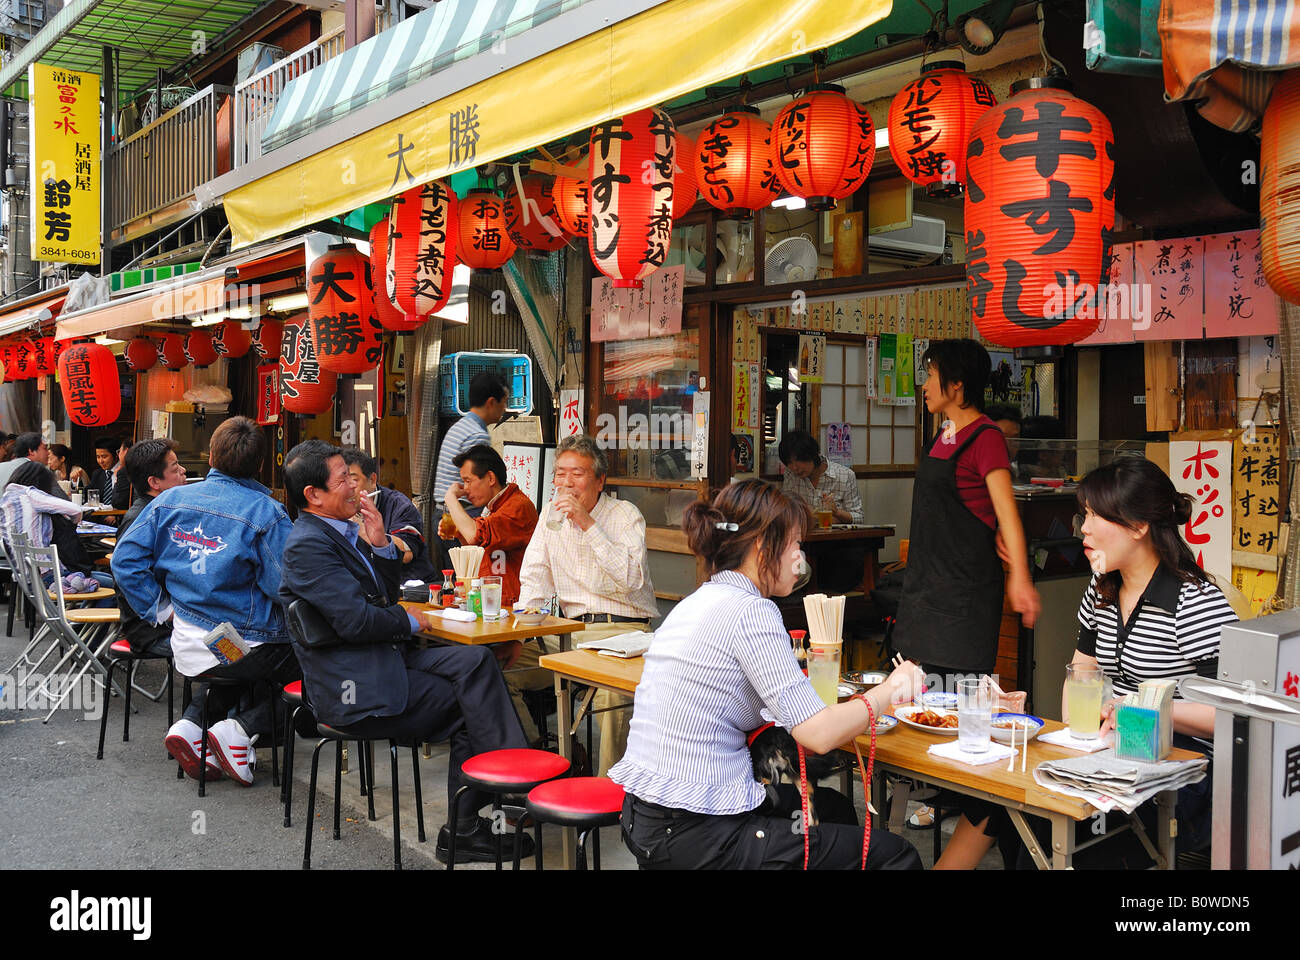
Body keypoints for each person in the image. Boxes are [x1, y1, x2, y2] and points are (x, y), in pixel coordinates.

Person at [933, 457, 1237, 869]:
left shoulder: (1195, 602)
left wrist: (1140, 710)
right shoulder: (1102, 585)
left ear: (1137, 526)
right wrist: (1075, 733)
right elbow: (1081, 673)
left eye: (1096, 516)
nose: (1084, 528)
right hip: (1115, 751)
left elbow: (1233, 717)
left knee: (1050, 823)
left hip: (1183, 771)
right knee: (1002, 798)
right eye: (1085, 515)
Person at [610, 480, 925, 870]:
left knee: (833, 808)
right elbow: (819, 734)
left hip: (646, 817)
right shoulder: (751, 611)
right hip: (700, 831)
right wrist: (889, 691)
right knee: (894, 855)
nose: (800, 557)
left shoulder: (697, 601)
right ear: (762, 545)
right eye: (795, 544)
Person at [279, 439, 532, 864]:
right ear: (314, 494)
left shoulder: (338, 532)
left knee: (476, 661)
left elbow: (380, 594)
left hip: (381, 656)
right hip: (354, 686)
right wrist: (411, 620)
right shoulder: (308, 544)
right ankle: (475, 820)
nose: (357, 490)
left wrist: (379, 546)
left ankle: (509, 787)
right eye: (344, 480)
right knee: (473, 701)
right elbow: (357, 620)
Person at [112, 417, 299, 786]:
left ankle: (192, 723)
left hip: (186, 641)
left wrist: (161, 609)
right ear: (260, 465)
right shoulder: (266, 512)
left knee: (241, 663)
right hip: (240, 644)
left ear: (211, 456)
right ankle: (239, 731)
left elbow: (124, 560)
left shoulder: (171, 500)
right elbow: (284, 587)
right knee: (315, 659)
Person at [516, 434, 658, 771]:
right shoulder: (549, 514)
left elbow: (630, 578)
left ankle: (610, 794)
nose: (566, 483)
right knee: (495, 665)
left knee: (613, 694)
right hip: (568, 632)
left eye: (577, 474)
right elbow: (534, 577)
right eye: (560, 474)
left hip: (623, 632)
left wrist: (586, 523)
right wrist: (520, 632)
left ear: (599, 480)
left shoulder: (625, 515)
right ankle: (537, 761)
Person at [439, 443, 538, 610]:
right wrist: (459, 532)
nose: (466, 489)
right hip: (492, 604)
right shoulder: (493, 507)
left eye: (468, 481)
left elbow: (475, 535)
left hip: (513, 609)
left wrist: (450, 499)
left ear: (491, 478)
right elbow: (478, 545)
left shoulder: (517, 507)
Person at [115, 439, 188, 658]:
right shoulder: (140, 518)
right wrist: (166, 611)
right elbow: (126, 569)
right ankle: (205, 693)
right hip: (151, 630)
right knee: (231, 652)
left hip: (175, 621)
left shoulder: (162, 510)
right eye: (175, 468)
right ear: (154, 482)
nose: (184, 471)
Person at [341, 447, 446, 584]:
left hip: (410, 587)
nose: (348, 487)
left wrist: (362, 529)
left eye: (354, 480)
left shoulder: (398, 504)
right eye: (342, 481)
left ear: (372, 480)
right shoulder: (337, 506)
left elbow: (406, 553)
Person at [0, 461, 108, 589]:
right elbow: (75, 510)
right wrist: (73, 523)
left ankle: (80, 607)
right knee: (110, 583)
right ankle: (78, 608)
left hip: (25, 576)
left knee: (101, 578)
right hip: (49, 576)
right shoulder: (31, 494)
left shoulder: (6, 499)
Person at [432, 372, 508, 527]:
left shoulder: (460, 426)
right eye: (504, 402)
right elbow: (481, 486)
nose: (505, 408)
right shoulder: (477, 435)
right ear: (491, 402)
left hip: (444, 513)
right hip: (461, 514)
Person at [778, 429, 864, 525]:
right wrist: (830, 519)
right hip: (803, 537)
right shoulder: (790, 475)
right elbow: (786, 511)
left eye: (798, 460)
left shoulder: (845, 475)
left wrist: (837, 512)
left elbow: (858, 518)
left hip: (837, 537)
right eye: (789, 462)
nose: (794, 467)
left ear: (812, 455)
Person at [90, 436, 131, 509]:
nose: (100, 461)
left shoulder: (125, 472)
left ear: (116, 455)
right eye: (98, 457)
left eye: (104, 457)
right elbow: (89, 494)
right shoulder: (97, 474)